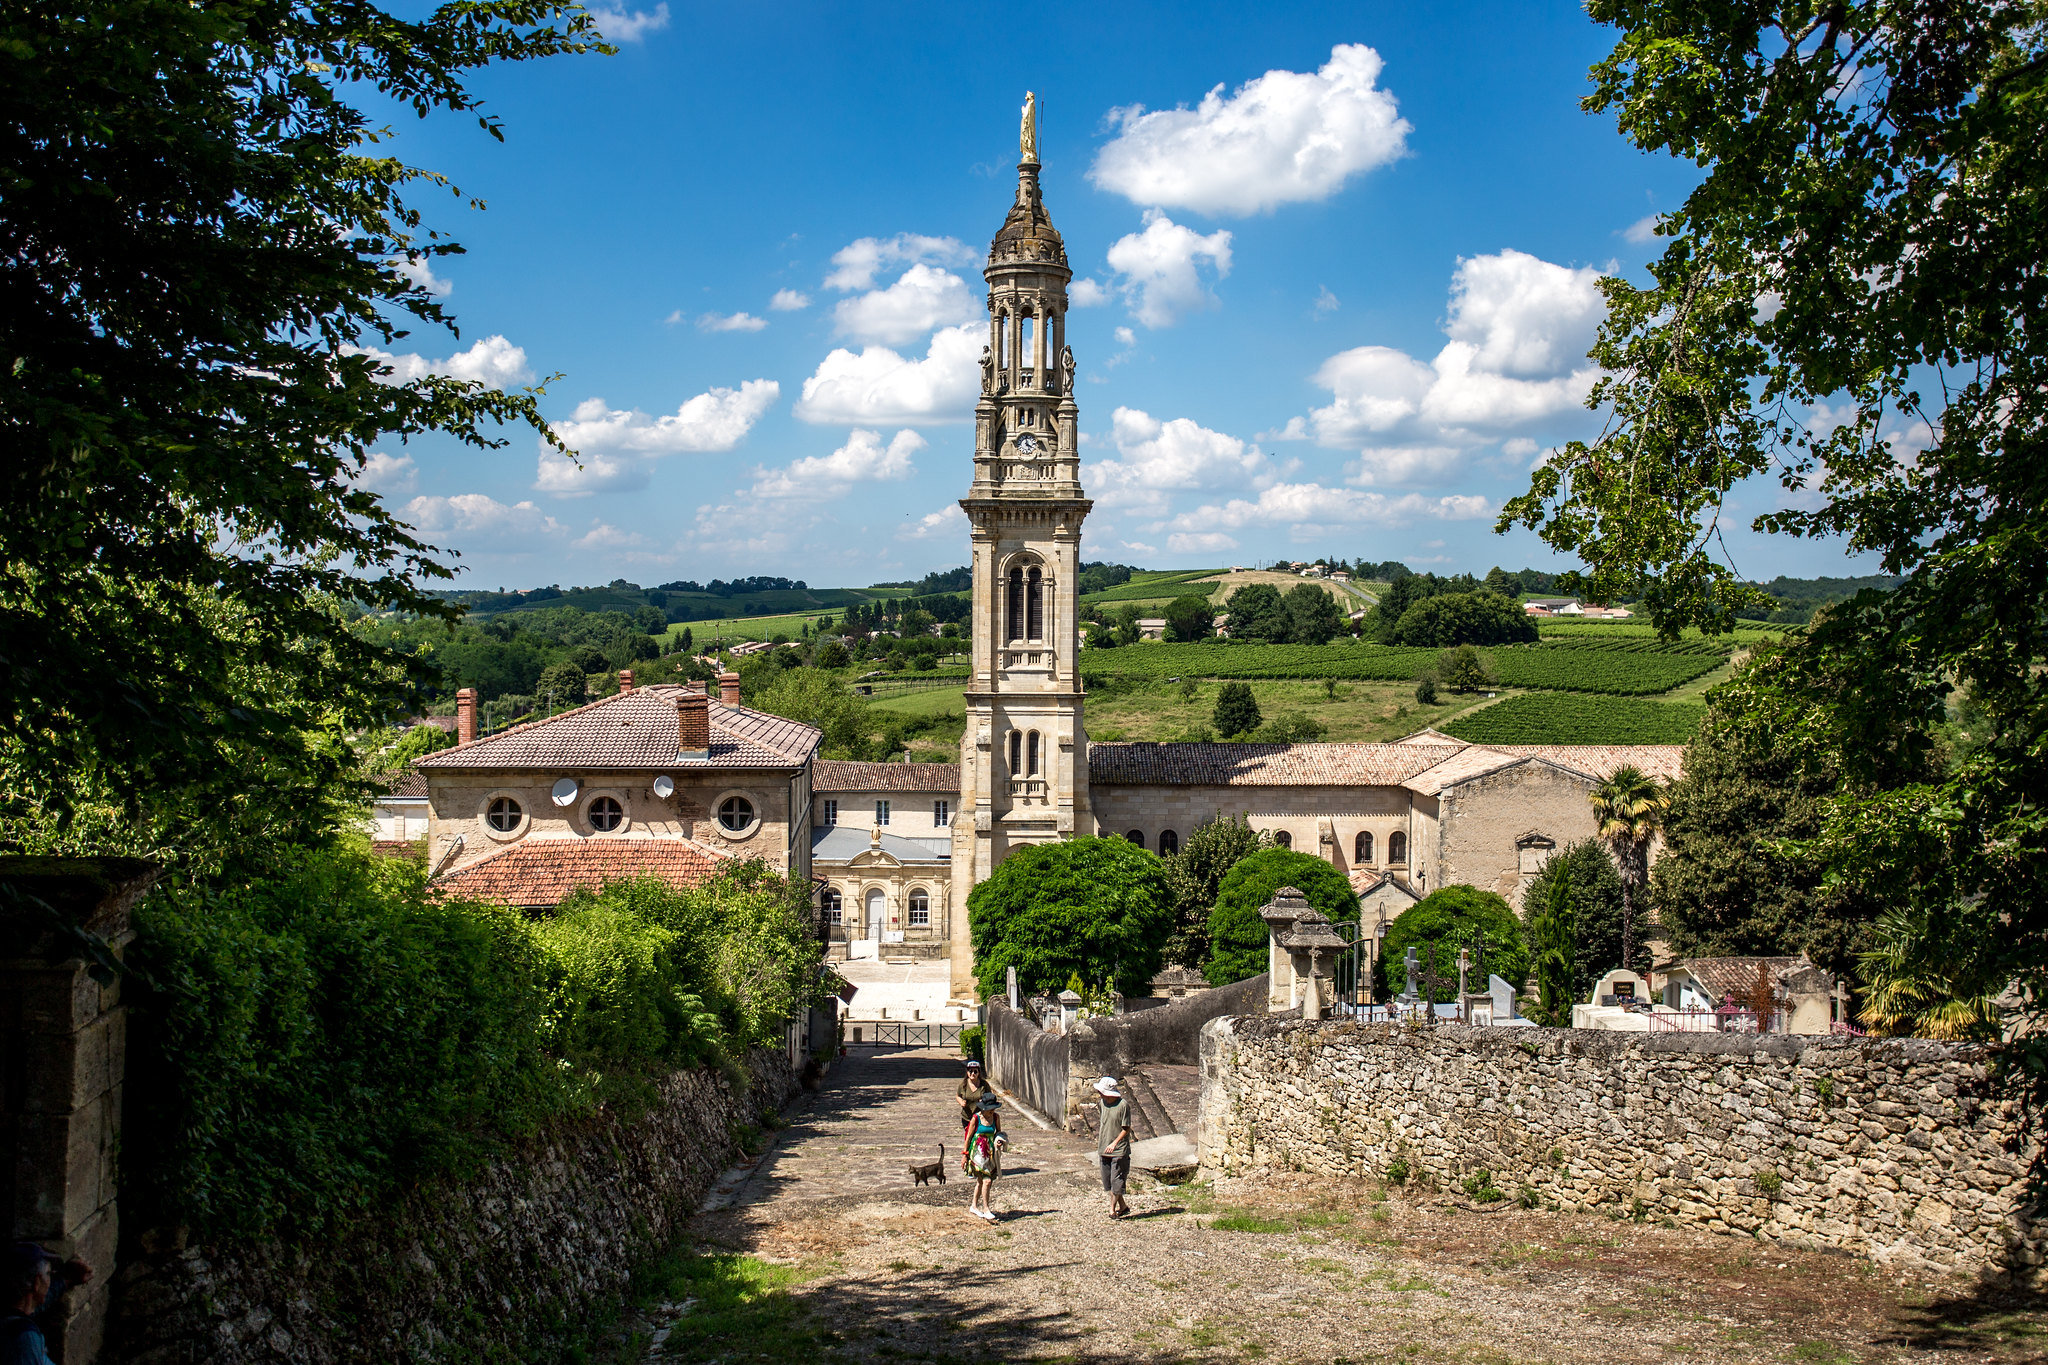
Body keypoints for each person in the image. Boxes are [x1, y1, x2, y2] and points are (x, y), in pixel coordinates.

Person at [3, 1243, 92, 1365]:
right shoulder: (23, 1337)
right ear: (37, 1282)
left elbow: (35, 1302)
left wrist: (66, 1279)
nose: (50, 1280)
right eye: (49, 1274)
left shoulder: (10, 1318)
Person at [1093, 1076, 1134, 1218]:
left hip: (1118, 1150)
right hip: (1104, 1147)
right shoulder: (1102, 1104)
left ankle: (1112, 1209)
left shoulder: (1123, 1106)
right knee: (1108, 1182)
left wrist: (1115, 1142)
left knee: (1117, 1181)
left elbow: (1126, 1128)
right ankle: (1123, 1206)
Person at [963, 1094, 1006, 1221]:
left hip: (990, 1152)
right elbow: (968, 1137)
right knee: (987, 1180)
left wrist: (999, 1141)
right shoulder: (976, 1118)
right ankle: (986, 1209)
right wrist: (964, 1155)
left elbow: (999, 1133)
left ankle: (974, 1206)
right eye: (990, 1109)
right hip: (977, 1153)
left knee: (981, 1181)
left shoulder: (996, 1117)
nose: (992, 1111)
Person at [956, 1059, 990, 1151]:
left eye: (975, 1071)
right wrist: (961, 1102)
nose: (972, 1074)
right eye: (970, 1071)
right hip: (967, 1117)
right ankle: (969, 1156)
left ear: (979, 1072)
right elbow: (958, 1096)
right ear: (967, 1072)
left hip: (980, 1117)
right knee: (969, 1137)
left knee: (978, 1138)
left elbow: (990, 1097)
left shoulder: (984, 1085)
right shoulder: (963, 1085)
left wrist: (983, 1101)